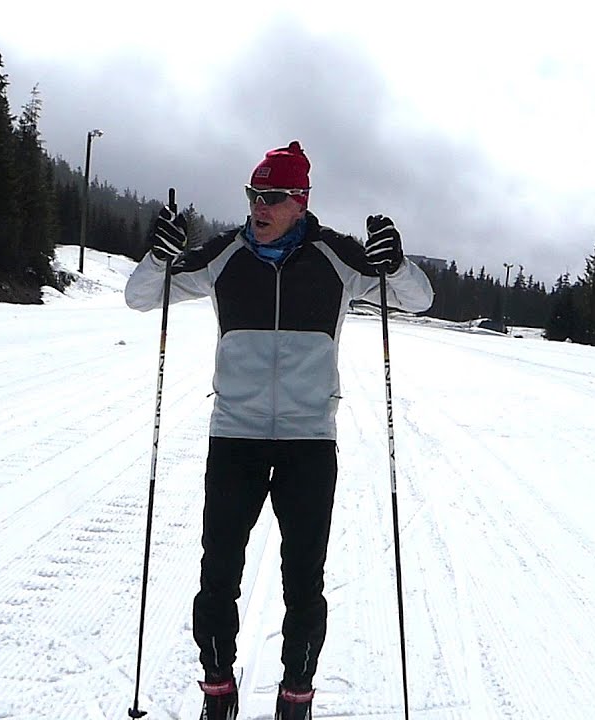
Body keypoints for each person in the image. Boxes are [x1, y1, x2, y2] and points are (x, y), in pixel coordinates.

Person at [124, 141, 433, 720]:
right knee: (218, 574)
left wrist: (396, 263)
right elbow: (142, 297)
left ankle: (297, 695)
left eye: (269, 198)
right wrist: (157, 257)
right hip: (235, 438)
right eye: (252, 195)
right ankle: (217, 689)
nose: (257, 208)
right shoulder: (223, 255)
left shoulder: (338, 258)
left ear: (300, 201)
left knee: (304, 582)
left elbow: (417, 300)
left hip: (308, 444)